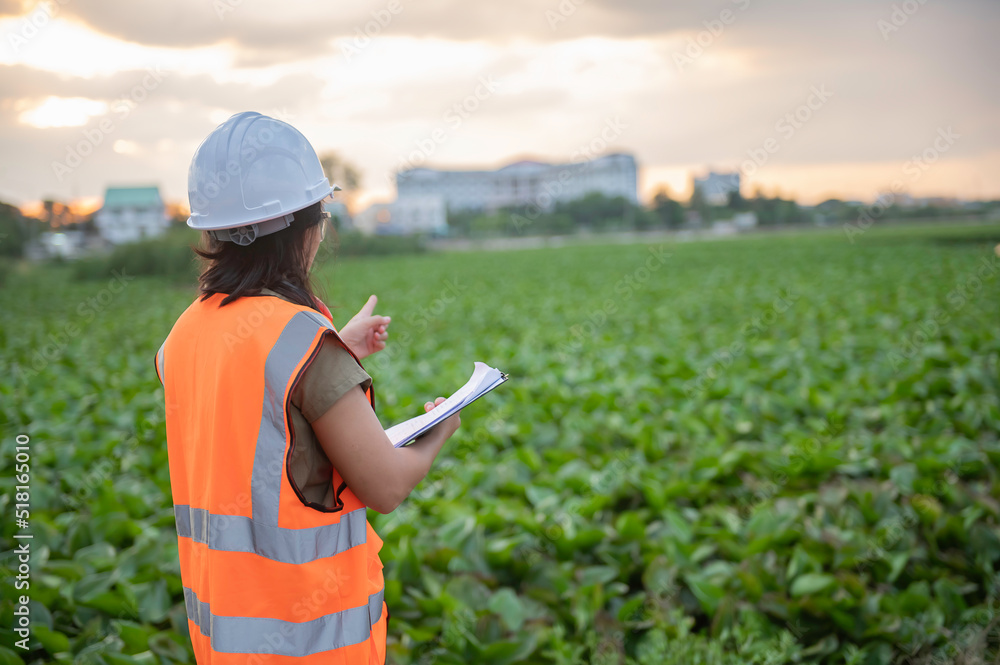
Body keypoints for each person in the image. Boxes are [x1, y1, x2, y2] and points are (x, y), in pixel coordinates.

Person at [153, 111, 461, 664]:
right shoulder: (300, 343)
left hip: (223, 642)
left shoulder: (183, 335)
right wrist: (439, 429)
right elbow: (385, 486)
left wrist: (335, 352)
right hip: (312, 644)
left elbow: (256, 408)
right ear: (307, 227)